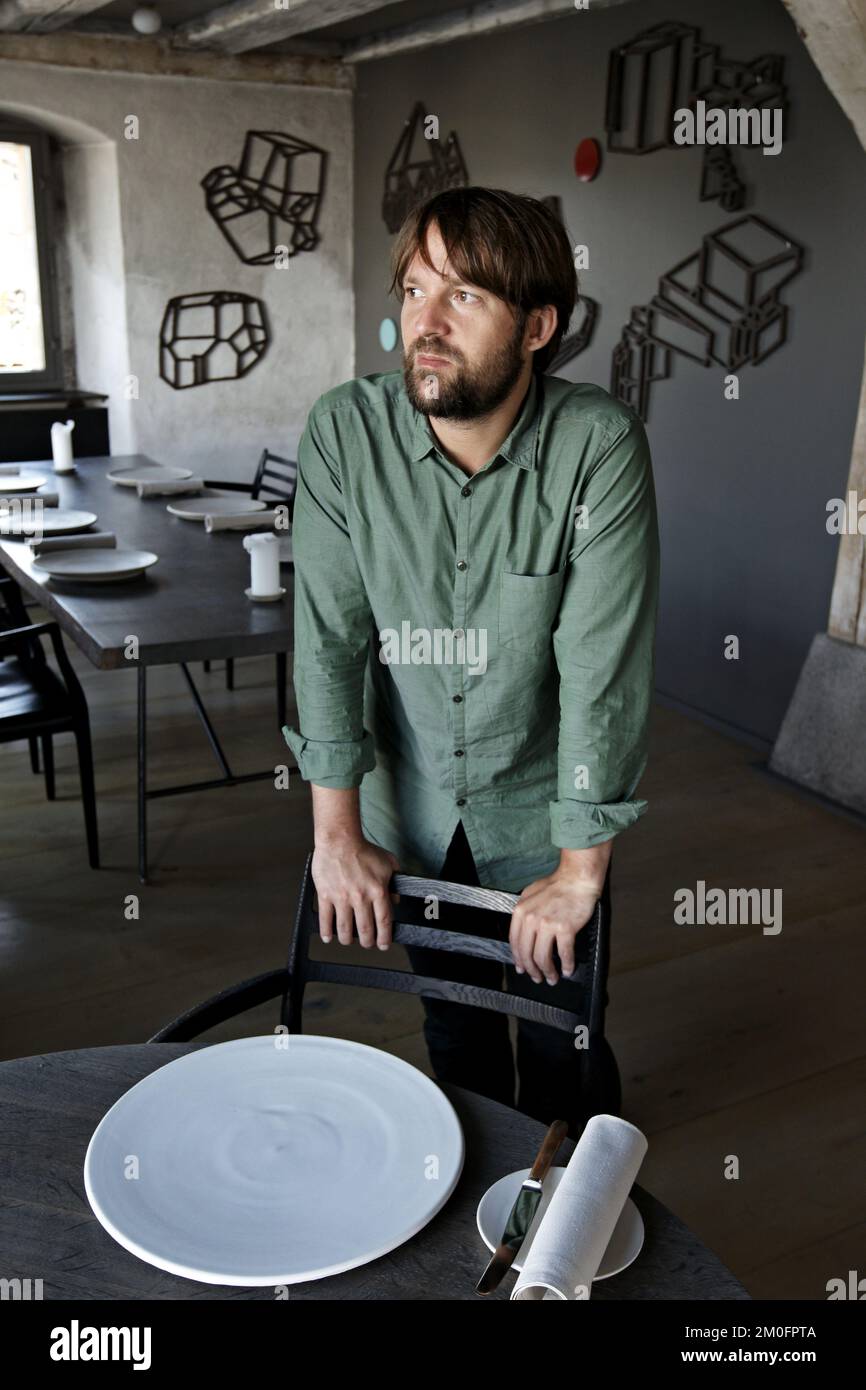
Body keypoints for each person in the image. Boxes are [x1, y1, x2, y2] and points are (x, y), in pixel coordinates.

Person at [282, 186, 659, 1133]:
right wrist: (335, 837)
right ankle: (476, 1248)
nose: (426, 325)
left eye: (465, 297)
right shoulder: (344, 432)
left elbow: (599, 673)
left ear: (537, 326)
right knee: (455, 1033)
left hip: (542, 814)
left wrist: (580, 871)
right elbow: (328, 640)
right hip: (407, 806)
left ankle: (568, 1236)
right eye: (414, 291)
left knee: (560, 1042)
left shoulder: (597, 447)